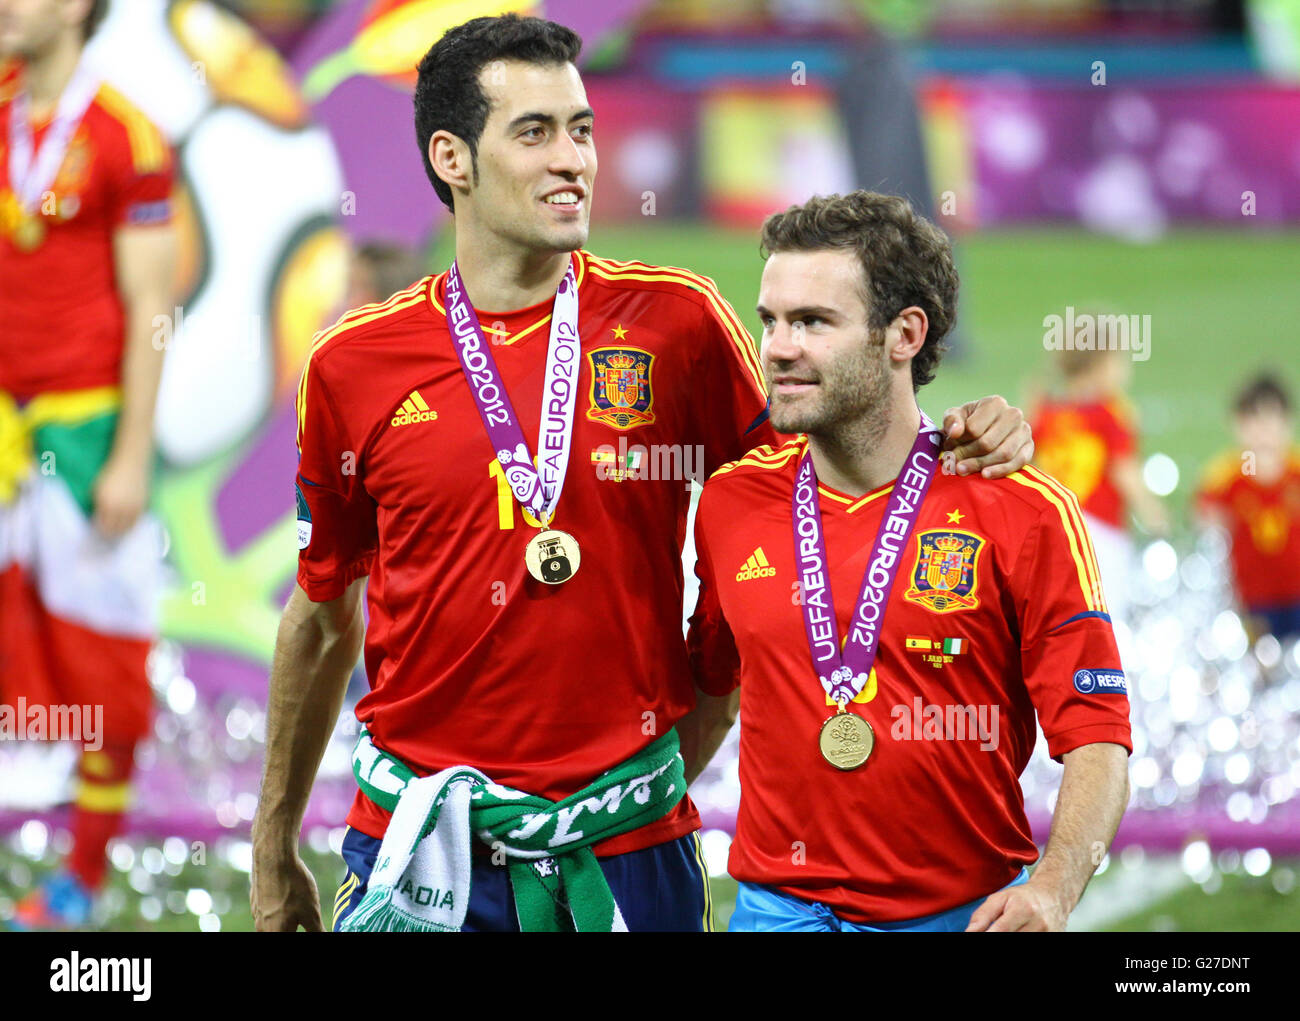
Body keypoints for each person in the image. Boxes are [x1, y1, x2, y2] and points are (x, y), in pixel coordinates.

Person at [250, 14, 1034, 933]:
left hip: (629, 852)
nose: (573, 159)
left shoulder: (677, 325)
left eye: (580, 129)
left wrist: (952, 439)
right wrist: (272, 851)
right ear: (452, 158)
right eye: (534, 133)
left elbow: (820, 501)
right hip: (418, 850)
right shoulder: (354, 363)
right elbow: (321, 613)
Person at [690, 191, 1131, 932]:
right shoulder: (732, 502)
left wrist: (1051, 889)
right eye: (771, 319)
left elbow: (1097, 731)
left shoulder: (1020, 508)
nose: (779, 346)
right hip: (776, 912)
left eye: (814, 322)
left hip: (958, 915)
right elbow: (710, 689)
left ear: (903, 334)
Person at [0, 0, 176, 928]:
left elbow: (154, 301)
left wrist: (135, 454)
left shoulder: (126, 137)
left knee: (101, 665)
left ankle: (82, 876)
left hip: (84, 438)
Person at [1029, 323, 1167, 619]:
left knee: (1059, 611)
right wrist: (1153, 512)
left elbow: (1030, 462)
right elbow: (1123, 469)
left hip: (1057, 525)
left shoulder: (1048, 411)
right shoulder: (1111, 412)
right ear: (1100, 365)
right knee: (1106, 613)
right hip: (1102, 531)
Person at [1196, 374, 1300, 641]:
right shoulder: (1229, 476)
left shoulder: (1295, 472)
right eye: (1254, 422)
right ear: (1238, 426)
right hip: (1252, 600)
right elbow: (1204, 515)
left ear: (1286, 423)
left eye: (1271, 420)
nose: (1263, 431)